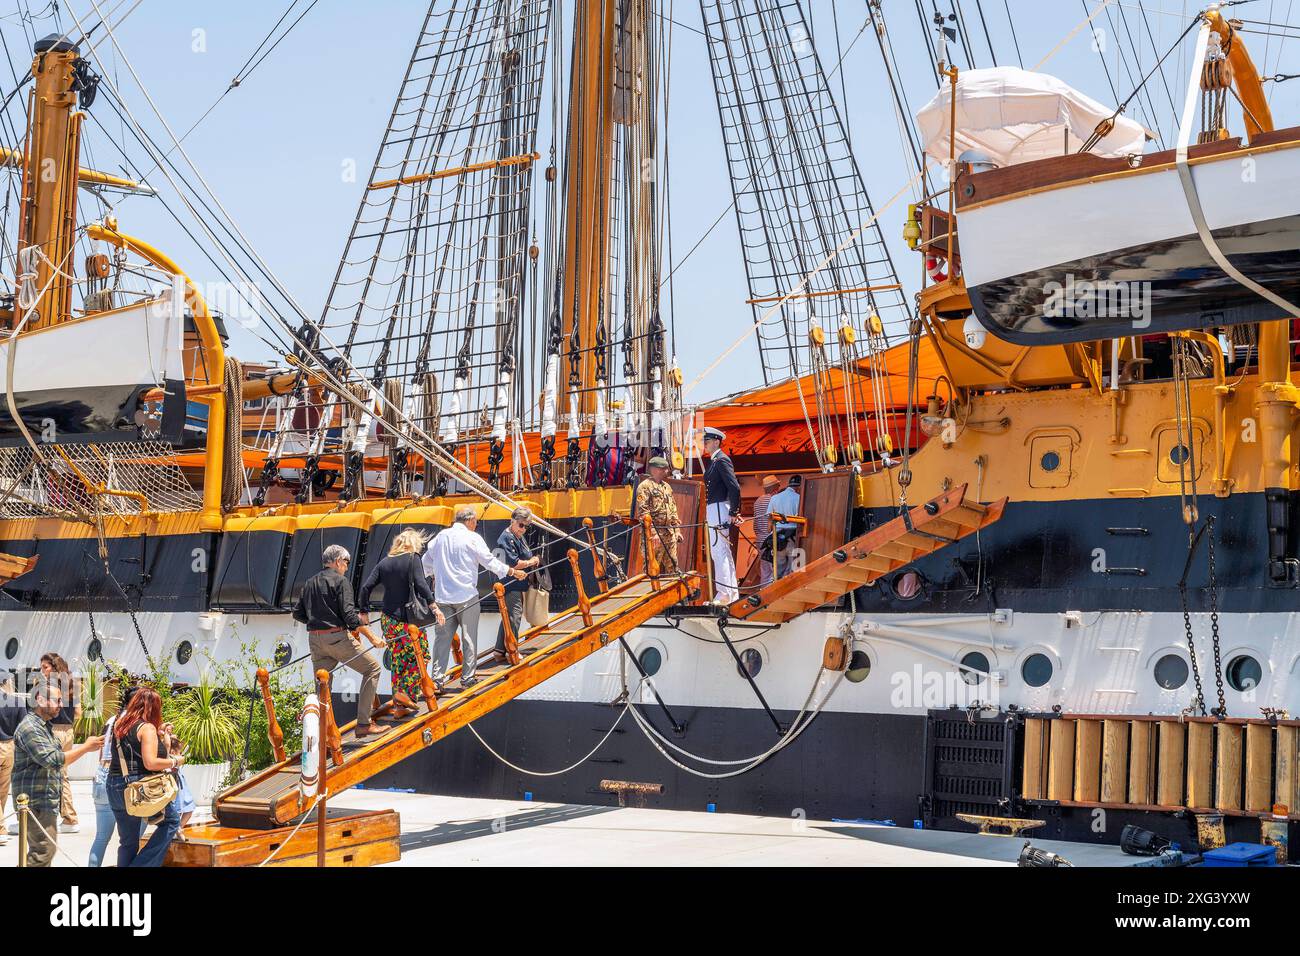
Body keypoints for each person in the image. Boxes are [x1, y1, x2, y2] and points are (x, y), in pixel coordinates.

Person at [423, 505, 527, 691]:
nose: (476, 525)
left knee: (442, 640)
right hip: (466, 596)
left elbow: (426, 561)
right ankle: (467, 678)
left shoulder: (440, 537)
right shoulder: (472, 538)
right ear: (470, 521)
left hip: (442, 597)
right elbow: (489, 562)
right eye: (476, 522)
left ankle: (437, 681)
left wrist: (432, 574)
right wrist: (511, 571)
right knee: (469, 637)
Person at [292, 544, 388, 738]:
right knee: (373, 669)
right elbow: (351, 618)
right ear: (337, 561)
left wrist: (317, 623)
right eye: (346, 562)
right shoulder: (341, 582)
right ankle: (364, 723)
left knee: (323, 687)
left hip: (315, 640)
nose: (347, 566)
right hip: (337, 638)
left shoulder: (309, 582)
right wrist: (372, 637)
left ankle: (323, 736)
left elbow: (298, 613)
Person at [11, 677, 102, 866]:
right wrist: (85, 747)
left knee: (44, 851)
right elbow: (53, 760)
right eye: (57, 700)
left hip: (42, 800)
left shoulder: (43, 727)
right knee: (43, 851)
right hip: (35, 802)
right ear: (41, 700)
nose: (62, 705)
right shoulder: (30, 728)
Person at [359, 529, 445, 711]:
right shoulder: (413, 559)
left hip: (388, 620)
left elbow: (366, 587)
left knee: (398, 660)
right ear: (413, 544)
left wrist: (364, 612)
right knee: (421, 655)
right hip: (407, 621)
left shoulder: (384, 563)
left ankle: (400, 705)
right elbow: (421, 585)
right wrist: (434, 607)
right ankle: (404, 695)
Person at [106, 687, 181, 867]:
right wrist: (175, 761)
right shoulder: (146, 728)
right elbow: (150, 763)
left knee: (128, 841)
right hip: (138, 788)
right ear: (151, 707)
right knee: (171, 821)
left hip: (114, 784)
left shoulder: (119, 723)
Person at [89, 684, 138, 867]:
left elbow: (103, 750)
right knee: (132, 838)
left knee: (101, 838)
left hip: (101, 774)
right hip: (120, 779)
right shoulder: (135, 721)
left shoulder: (111, 719)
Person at [492, 507, 541, 665]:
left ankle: (499, 650)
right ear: (512, 521)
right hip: (510, 583)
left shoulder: (517, 535)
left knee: (508, 617)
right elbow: (514, 562)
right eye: (521, 525)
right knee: (515, 615)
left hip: (518, 584)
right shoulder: (507, 538)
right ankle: (512, 651)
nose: (524, 529)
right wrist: (531, 562)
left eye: (527, 526)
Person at [39, 653, 80, 833]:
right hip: (68, 731)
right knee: (61, 773)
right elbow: (78, 712)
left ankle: (69, 818)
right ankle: (67, 818)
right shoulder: (73, 684)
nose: (42, 671)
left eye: (45, 667)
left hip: (53, 730)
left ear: (54, 667)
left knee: (50, 774)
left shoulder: (47, 686)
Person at [702, 426, 741, 602]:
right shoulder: (715, 461)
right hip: (714, 508)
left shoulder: (722, 460)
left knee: (719, 551)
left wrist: (734, 511)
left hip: (719, 508)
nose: (705, 444)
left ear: (717, 442)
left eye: (707, 441)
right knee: (720, 550)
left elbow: (734, 486)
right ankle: (730, 592)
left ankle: (725, 593)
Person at [635, 456, 681, 573]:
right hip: (653, 535)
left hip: (668, 533)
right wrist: (653, 533)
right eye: (663, 469)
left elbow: (673, 509)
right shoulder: (644, 487)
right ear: (654, 469)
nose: (666, 471)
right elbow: (643, 513)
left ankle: (673, 590)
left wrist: (677, 531)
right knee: (652, 569)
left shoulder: (667, 487)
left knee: (673, 567)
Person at [767, 474, 803, 580]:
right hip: (794, 536)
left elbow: (769, 518)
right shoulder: (800, 498)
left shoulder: (775, 498)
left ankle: (776, 593)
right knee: (795, 570)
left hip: (777, 537)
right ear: (799, 486)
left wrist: (770, 535)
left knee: (777, 570)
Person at [0, 675, 22, 845]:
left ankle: (0, 829)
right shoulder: (18, 701)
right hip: (10, 748)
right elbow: (22, 728)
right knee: (3, 790)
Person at [752, 475, 780, 586]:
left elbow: (755, 524)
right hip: (770, 540)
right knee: (774, 571)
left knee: (765, 572)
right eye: (778, 485)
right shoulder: (774, 500)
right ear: (775, 487)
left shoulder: (758, 501)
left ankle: (763, 596)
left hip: (760, 540)